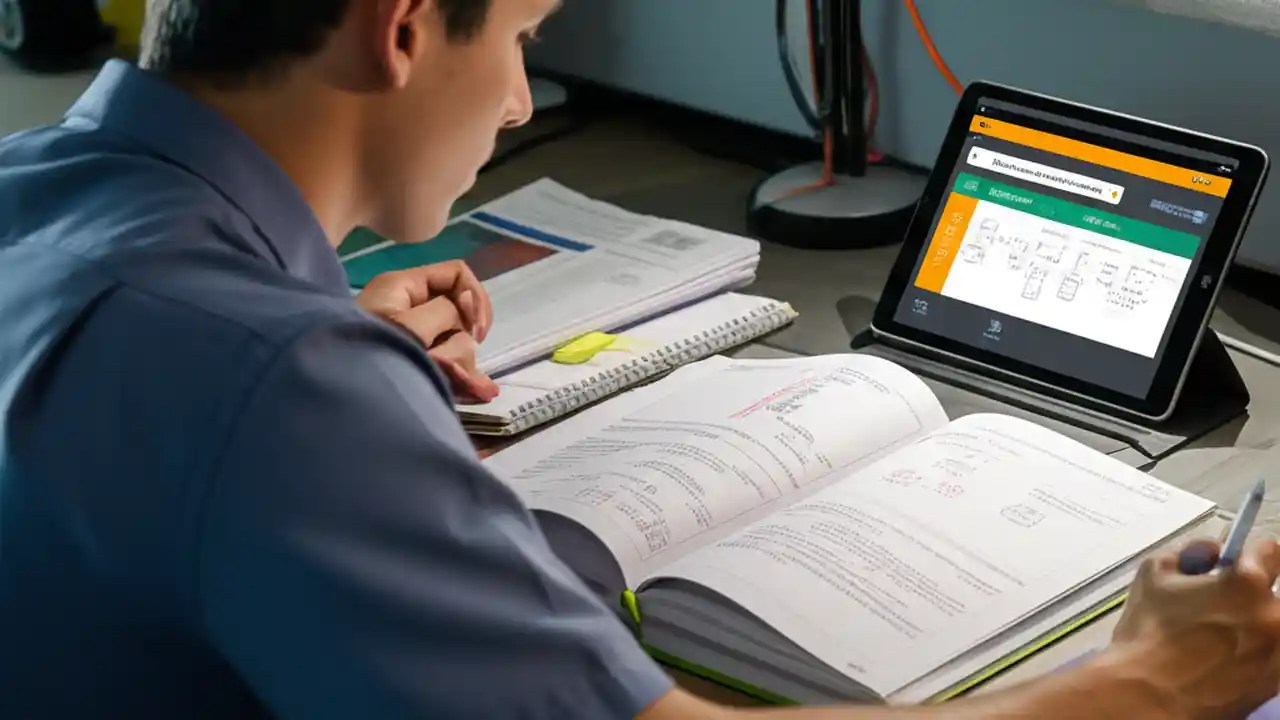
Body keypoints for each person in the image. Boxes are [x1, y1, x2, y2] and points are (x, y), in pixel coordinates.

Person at [0, 0, 1278, 718]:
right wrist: (1155, 677)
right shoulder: (278, 389)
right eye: (518, 38)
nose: (514, 101)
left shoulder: (34, 191)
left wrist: (309, 343)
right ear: (397, 30)